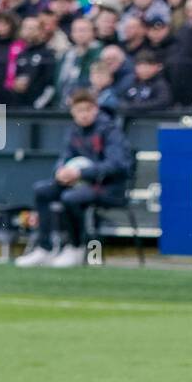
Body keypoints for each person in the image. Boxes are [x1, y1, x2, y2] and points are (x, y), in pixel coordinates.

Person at [16, 88, 131, 268]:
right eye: (79, 110)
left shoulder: (110, 131)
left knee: (70, 198)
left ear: (95, 109)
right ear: (73, 112)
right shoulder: (73, 132)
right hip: (78, 183)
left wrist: (83, 173)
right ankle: (44, 248)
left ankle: (75, 247)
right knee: (43, 190)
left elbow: (116, 165)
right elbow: (65, 157)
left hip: (108, 187)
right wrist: (60, 172)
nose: (84, 115)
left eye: (88, 109)